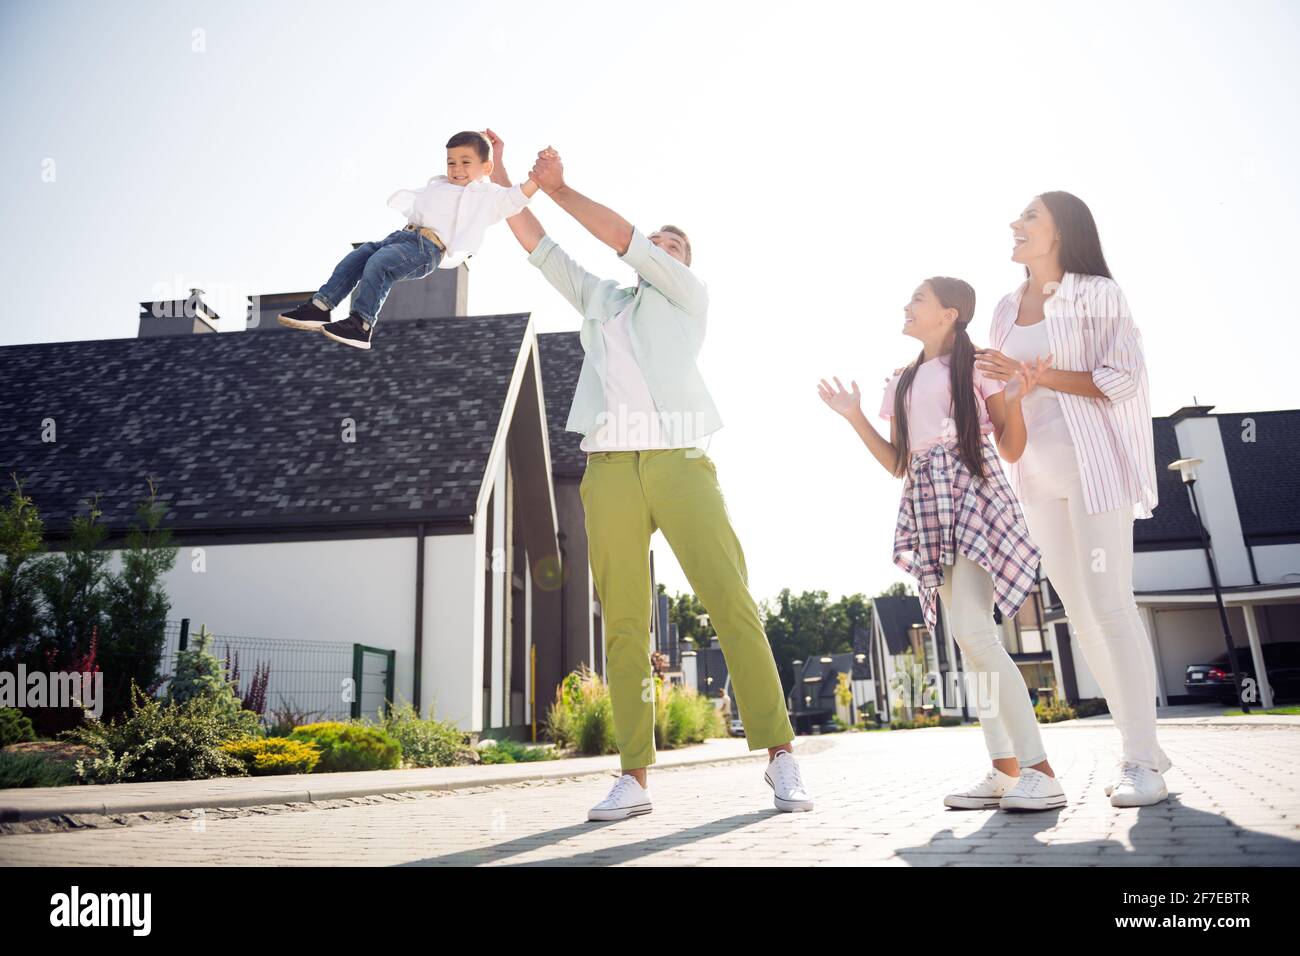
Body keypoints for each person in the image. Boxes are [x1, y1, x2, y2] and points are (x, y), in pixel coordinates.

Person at [484, 129, 813, 821]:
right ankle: (633, 777)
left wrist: (562, 186)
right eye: (658, 243)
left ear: (684, 263)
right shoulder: (605, 300)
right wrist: (511, 182)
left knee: (731, 602)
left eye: (675, 244)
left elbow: (618, 233)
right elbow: (540, 249)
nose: (663, 248)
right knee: (625, 625)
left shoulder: (689, 297)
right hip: (608, 469)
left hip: (680, 463)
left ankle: (781, 757)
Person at [819, 277, 1067, 811]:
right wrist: (855, 415)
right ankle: (1004, 770)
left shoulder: (977, 366)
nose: (906, 306)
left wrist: (1018, 400)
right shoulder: (904, 380)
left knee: (977, 633)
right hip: (928, 504)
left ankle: (1040, 770)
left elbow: (1011, 446)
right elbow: (897, 463)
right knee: (969, 643)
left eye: (917, 300)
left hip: (971, 496)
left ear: (948, 313)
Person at [976, 191, 1170, 807]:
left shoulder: (1096, 294)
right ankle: (1139, 752)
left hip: (1096, 469)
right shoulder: (1005, 309)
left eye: (1030, 216)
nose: (1016, 223)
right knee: (1081, 619)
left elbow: (1123, 377)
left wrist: (1038, 376)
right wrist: (1001, 392)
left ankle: (1144, 762)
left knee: (1111, 604)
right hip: (1036, 477)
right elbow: (1000, 399)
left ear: (1061, 231)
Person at [277, 130, 539, 349]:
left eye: (466, 162)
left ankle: (361, 323)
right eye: (451, 162)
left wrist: (536, 181)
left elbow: (513, 198)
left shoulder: (484, 195)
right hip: (403, 236)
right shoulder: (439, 184)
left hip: (428, 249)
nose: (457, 169)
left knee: (381, 264)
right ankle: (320, 306)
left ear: (486, 168)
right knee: (360, 256)